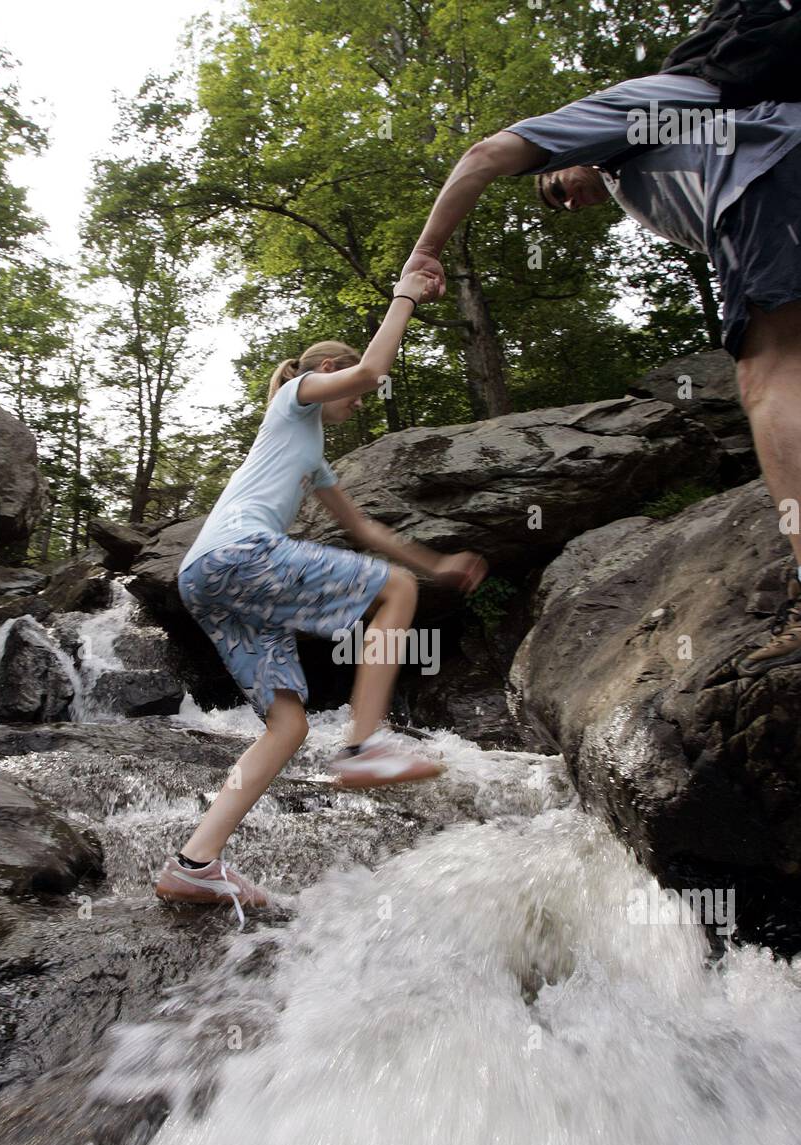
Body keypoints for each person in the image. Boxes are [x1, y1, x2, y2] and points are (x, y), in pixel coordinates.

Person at [400, 56, 801, 677]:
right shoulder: (647, 169)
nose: (565, 201)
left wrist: (424, 253)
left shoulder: (608, 118)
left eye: (557, 186)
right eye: (556, 204)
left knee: (770, 371)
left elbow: (482, 155)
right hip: (779, 176)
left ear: (570, 153)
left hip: (768, 182)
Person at [155, 270, 487, 922]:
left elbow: (361, 527)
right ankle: (364, 744)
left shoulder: (308, 454)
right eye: (351, 394)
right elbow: (368, 371)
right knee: (392, 590)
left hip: (207, 580)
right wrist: (406, 296)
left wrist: (437, 564)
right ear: (325, 370)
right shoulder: (295, 400)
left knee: (288, 725)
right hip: (236, 557)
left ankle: (193, 864)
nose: (358, 403)